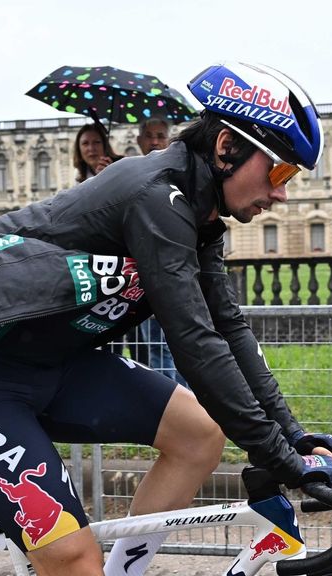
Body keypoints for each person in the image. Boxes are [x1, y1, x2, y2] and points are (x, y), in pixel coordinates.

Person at [0, 62, 332, 576]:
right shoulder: (155, 196)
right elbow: (194, 342)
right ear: (227, 148)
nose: (282, 194)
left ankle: (124, 573)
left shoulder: (198, 214)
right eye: (279, 171)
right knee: (74, 559)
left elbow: (228, 330)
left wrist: (293, 436)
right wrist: (279, 457)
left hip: (57, 367)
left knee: (200, 435)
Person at [134, 117, 187, 386]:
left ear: (170, 140)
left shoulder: (178, 174)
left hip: (171, 272)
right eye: (150, 135)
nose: (155, 141)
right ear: (139, 141)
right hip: (144, 276)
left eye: (160, 135)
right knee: (156, 347)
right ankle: (174, 405)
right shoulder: (132, 174)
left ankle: (185, 407)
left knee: (177, 347)